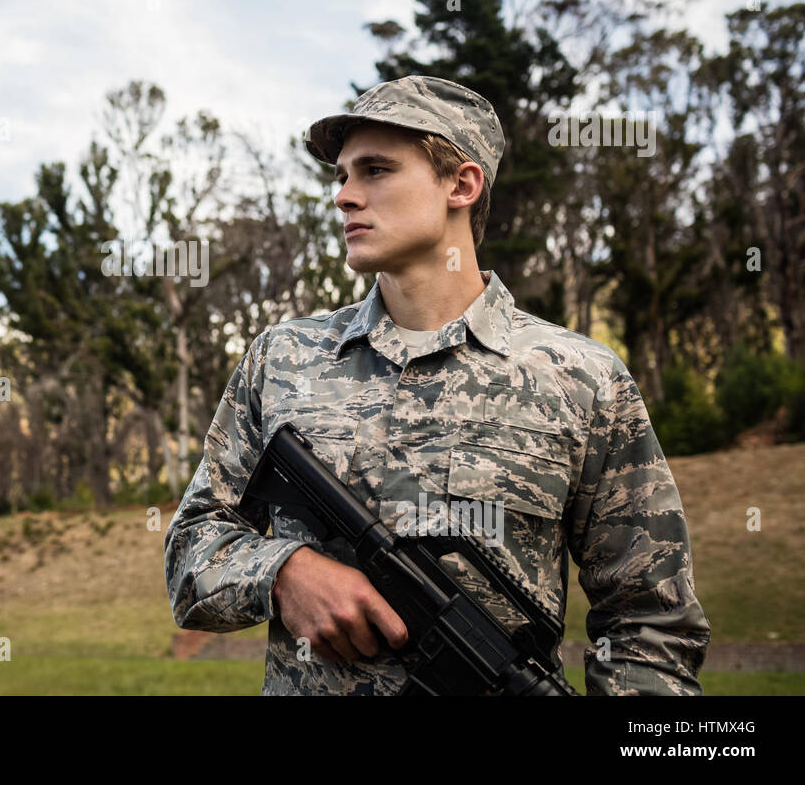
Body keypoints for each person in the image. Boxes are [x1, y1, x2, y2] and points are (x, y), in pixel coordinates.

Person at [162, 75, 711, 695]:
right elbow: (190, 548)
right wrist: (284, 572)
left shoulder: (581, 379)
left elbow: (649, 617)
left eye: (375, 170)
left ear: (462, 184)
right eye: (340, 175)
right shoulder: (282, 360)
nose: (344, 196)